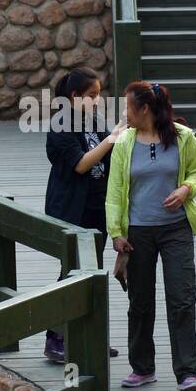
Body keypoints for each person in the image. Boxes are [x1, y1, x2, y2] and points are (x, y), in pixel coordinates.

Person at [106, 82, 196, 391]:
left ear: (144, 109)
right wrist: (116, 233)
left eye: (128, 107)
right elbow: (115, 191)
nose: (125, 113)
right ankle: (142, 368)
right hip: (138, 231)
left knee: (182, 299)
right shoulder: (124, 143)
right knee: (140, 302)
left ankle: (187, 373)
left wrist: (186, 189)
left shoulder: (183, 138)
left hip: (176, 228)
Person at [43, 68, 126, 363]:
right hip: (71, 210)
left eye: (99, 94)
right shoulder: (61, 124)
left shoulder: (93, 121)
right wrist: (112, 139)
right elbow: (80, 165)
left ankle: (89, 338)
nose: (97, 100)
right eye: (92, 95)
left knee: (92, 273)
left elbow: (110, 156)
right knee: (71, 272)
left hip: (97, 207)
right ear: (74, 96)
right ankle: (55, 339)